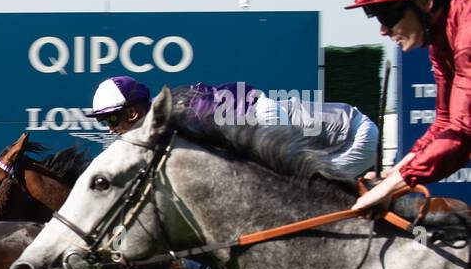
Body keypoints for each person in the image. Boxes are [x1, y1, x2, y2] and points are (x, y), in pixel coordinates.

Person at [348, 0, 468, 212]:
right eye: (375, 16)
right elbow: (444, 124)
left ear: (425, 1)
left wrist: (392, 187)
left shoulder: (467, 33)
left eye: (387, 15)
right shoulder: (443, 37)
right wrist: (391, 178)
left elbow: (462, 134)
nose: (382, 30)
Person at [87, 76, 379, 177]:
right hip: (286, 122)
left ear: (134, 113)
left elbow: (261, 106)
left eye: (110, 119)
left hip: (353, 136)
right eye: (103, 122)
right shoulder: (163, 117)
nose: (109, 128)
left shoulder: (170, 116)